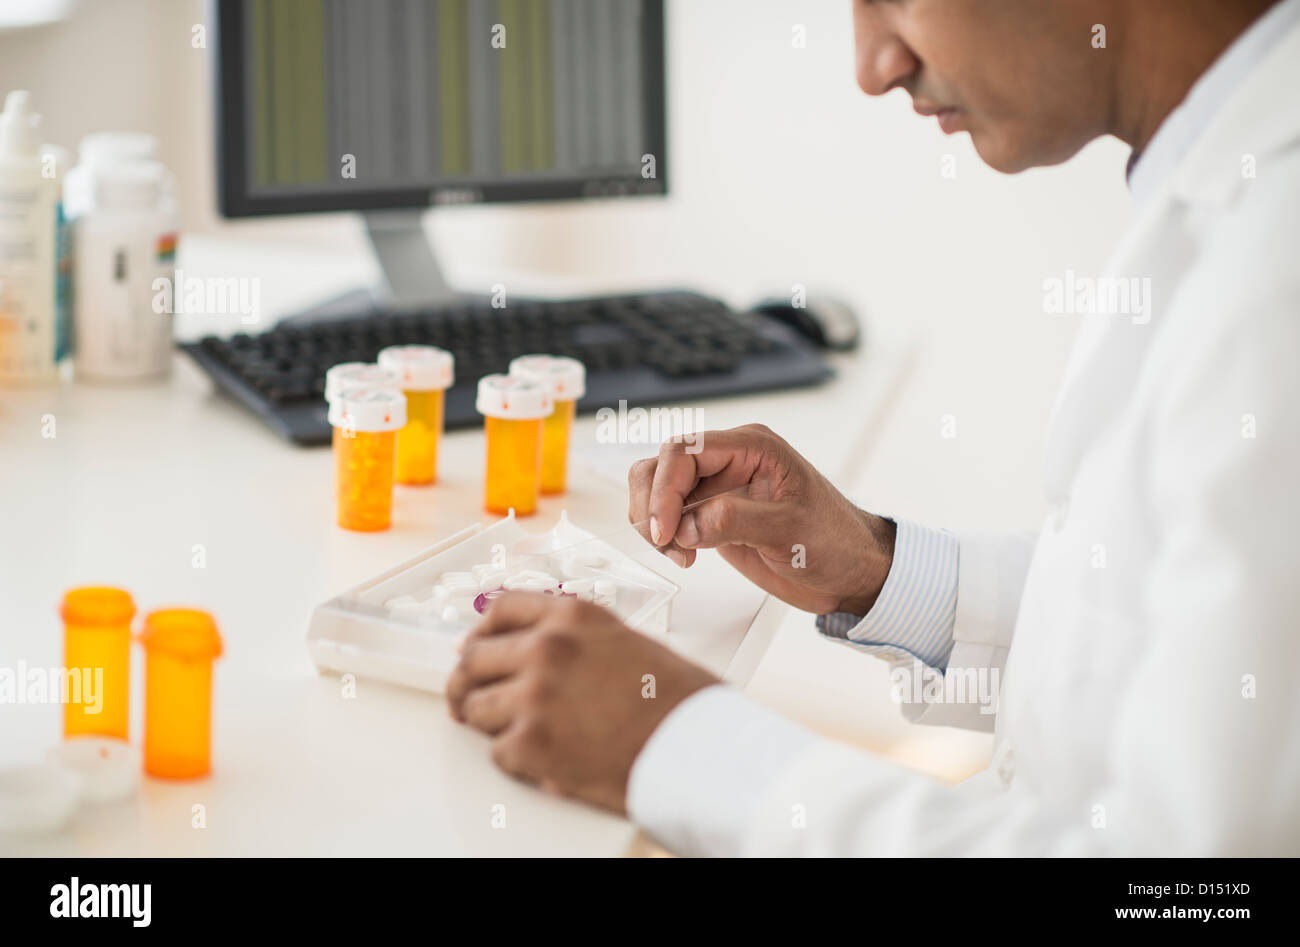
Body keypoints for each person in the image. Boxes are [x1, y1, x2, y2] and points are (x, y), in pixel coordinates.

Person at [446, 0, 1300, 855]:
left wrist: (675, 744)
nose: (873, 65)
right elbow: (1150, 630)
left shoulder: (1276, 272)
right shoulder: (1218, 195)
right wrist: (871, 565)